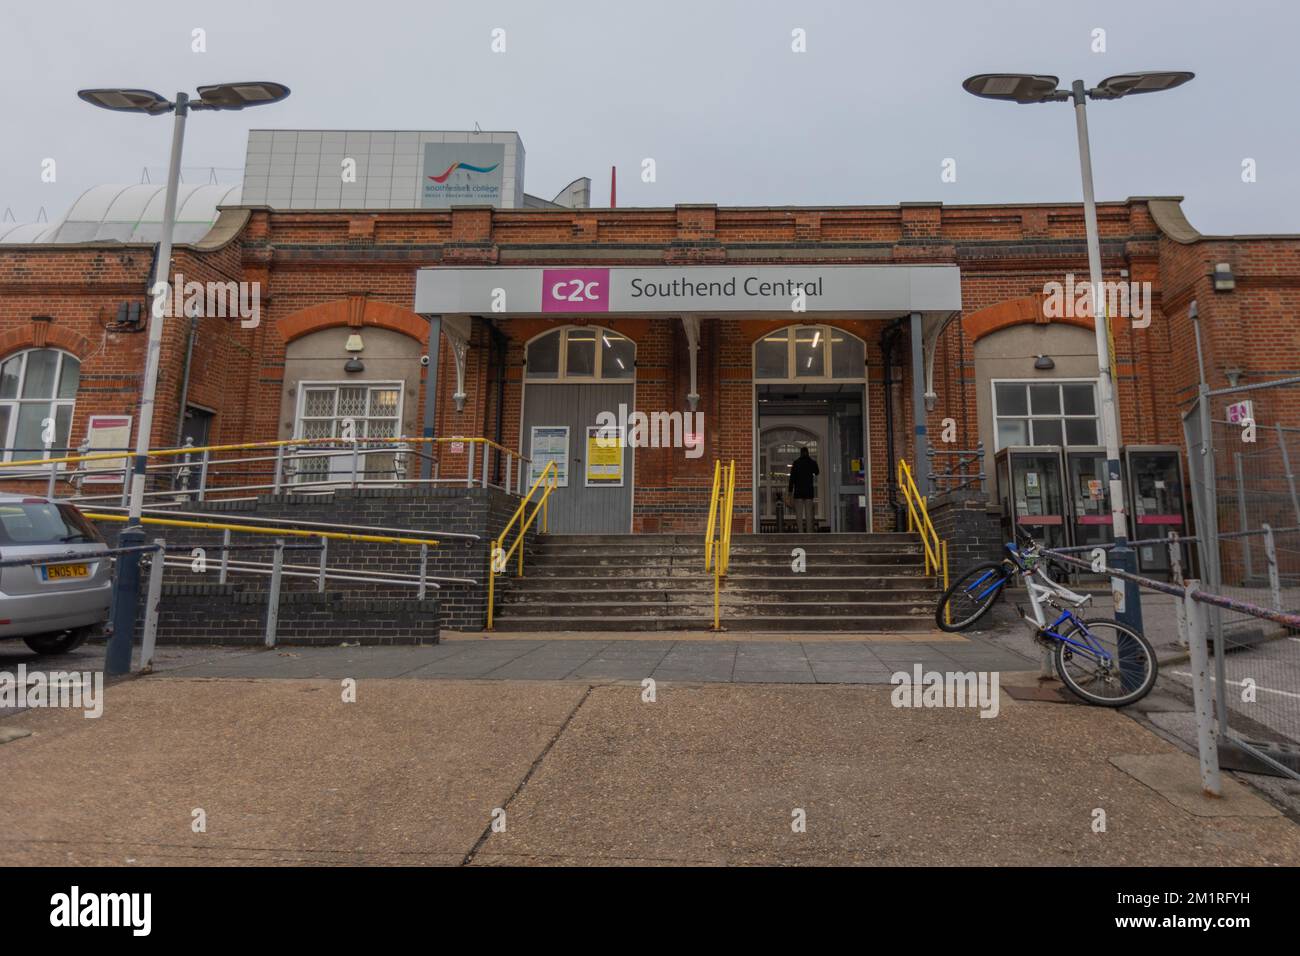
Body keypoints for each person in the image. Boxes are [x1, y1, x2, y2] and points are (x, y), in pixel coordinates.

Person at [787, 446, 820, 534]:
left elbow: (792, 479)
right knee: (809, 515)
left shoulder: (796, 463)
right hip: (809, 492)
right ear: (808, 452)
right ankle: (809, 533)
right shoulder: (812, 462)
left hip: (798, 493)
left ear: (800, 453)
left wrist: (790, 492)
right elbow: (817, 472)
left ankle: (800, 532)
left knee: (799, 515)